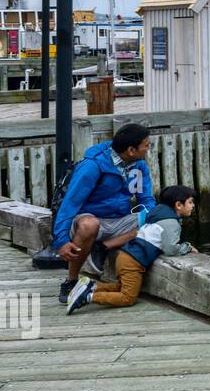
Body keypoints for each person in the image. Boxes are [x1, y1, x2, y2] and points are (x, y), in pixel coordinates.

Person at [52, 122, 155, 305]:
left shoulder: (139, 166)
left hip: (119, 221)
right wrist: (60, 240)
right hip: (90, 219)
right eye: (146, 146)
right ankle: (71, 281)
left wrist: (154, 218)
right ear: (131, 150)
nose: (148, 149)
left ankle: (103, 248)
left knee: (156, 219)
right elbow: (70, 204)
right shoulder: (93, 166)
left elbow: (146, 200)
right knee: (88, 225)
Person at [67, 185, 197, 314]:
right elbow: (171, 249)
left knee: (122, 286)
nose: (193, 206)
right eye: (190, 202)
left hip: (124, 255)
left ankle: (92, 286)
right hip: (133, 262)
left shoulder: (157, 216)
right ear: (178, 205)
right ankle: (87, 297)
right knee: (128, 297)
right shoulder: (171, 223)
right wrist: (187, 247)